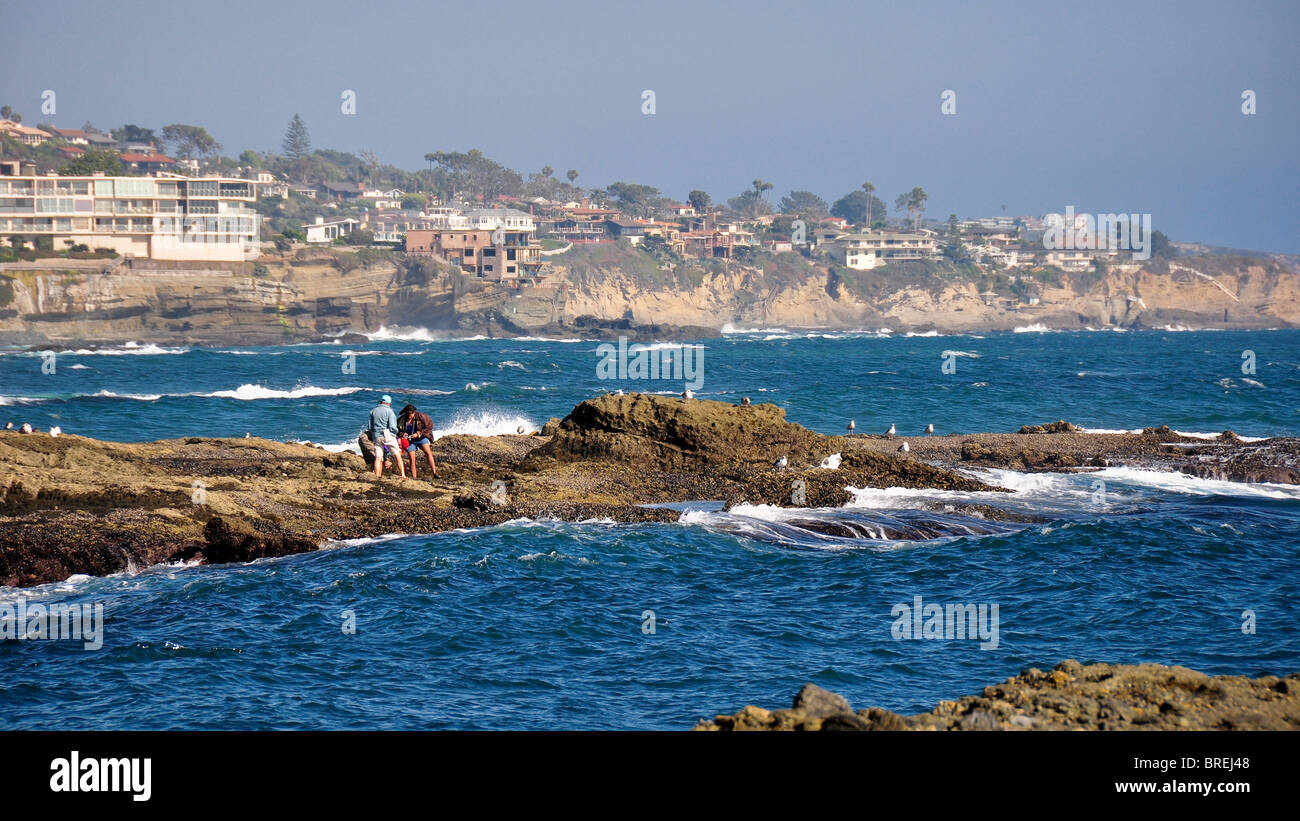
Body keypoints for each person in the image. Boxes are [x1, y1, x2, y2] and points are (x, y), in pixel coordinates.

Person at [367, 394, 405, 478]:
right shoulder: (389, 411)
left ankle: (377, 476)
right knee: (397, 455)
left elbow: (369, 427)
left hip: (376, 435)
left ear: (381, 401)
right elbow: (392, 426)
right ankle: (403, 475)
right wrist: (396, 432)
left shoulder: (373, 411)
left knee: (378, 457)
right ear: (388, 403)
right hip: (387, 434)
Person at [397, 403, 438, 479]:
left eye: (411, 415)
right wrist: (403, 434)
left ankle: (434, 472)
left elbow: (430, 426)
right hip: (410, 440)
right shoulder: (402, 419)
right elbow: (398, 430)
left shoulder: (421, 416)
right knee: (412, 459)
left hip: (421, 438)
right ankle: (414, 477)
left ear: (414, 412)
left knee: (428, 452)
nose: (409, 416)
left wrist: (419, 433)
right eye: (408, 415)